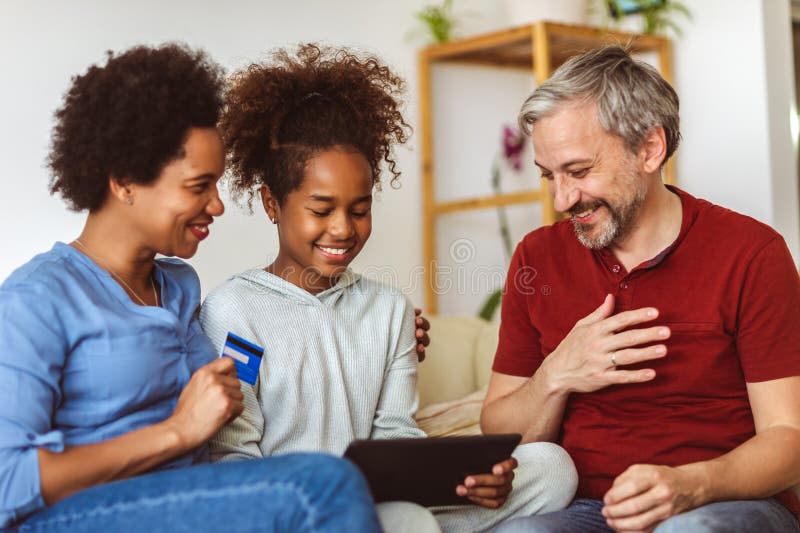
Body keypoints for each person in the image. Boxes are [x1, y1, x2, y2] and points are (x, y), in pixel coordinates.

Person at [0, 43, 383, 532]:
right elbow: (7, 482)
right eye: (199, 186)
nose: (218, 205)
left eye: (218, 184)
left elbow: (259, 350)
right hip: (79, 514)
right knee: (322, 486)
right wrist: (176, 432)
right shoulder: (37, 298)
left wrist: (367, 333)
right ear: (124, 181)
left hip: (185, 500)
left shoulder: (179, 288)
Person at [199, 43, 577, 533]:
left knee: (551, 467)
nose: (343, 229)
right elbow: (232, 458)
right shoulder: (235, 312)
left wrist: (466, 481)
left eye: (359, 209)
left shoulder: (389, 310)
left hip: (386, 505)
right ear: (272, 203)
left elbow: (398, 436)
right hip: (291, 515)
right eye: (320, 210)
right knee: (406, 522)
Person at [480, 45, 800, 533]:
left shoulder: (751, 253)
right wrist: (557, 374)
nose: (562, 199)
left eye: (579, 171)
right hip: (585, 509)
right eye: (549, 176)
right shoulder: (537, 257)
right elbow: (498, 434)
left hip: (723, 502)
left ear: (650, 149)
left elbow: (789, 437)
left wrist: (690, 484)